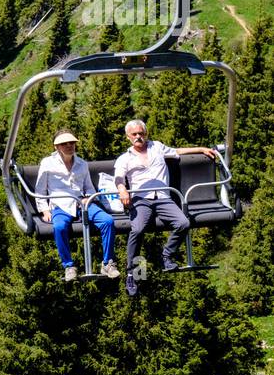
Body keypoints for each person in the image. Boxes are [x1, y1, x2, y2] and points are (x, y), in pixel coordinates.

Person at [114, 118, 218, 296]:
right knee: (138, 229)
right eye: (134, 134)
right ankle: (133, 272)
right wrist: (122, 189)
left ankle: (166, 256)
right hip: (141, 199)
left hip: (163, 197)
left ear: (145, 134)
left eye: (141, 133)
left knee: (183, 223)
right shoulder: (125, 158)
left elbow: (176, 151)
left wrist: (201, 149)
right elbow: (118, 177)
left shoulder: (157, 147)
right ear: (128, 137)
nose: (138, 137)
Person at [35, 130, 119, 282]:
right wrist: (44, 209)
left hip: (82, 204)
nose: (69, 146)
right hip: (60, 204)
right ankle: (69, 266)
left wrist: (88, 198)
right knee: (59, 227)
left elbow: (89, 187)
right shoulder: (47, 163)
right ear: (56, 147)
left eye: (71, 143)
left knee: (107, 221)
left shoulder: (81, 164)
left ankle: (108, 263)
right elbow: (41, 189)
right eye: (64, 144)